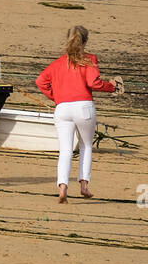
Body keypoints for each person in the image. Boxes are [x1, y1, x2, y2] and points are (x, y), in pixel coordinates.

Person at [35, 25, 118, 203]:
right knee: (86, 146)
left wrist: (55, 96)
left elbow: (40, 81)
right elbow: (93, 82)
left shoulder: (58, 63)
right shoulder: (89, 59)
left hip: (62, 108)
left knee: (65, 150)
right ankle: (84, 186)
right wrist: (111, 86)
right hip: (83, 107)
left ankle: (63, 187)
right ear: (85, 41)